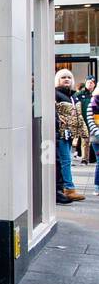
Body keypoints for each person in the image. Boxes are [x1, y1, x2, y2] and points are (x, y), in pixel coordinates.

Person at [56, 69, 85, 202]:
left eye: (68, 77)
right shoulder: (55, 94)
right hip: (61, 133)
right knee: (65, 161)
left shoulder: (73, 96)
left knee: (66, 160)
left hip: (69, 133)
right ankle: (68, 188)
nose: (66, 79)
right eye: (63, 77)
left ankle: (67, 187)